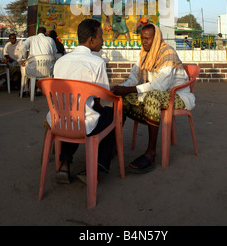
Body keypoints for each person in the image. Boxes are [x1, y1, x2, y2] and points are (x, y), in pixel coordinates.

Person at [111, 23, 195, 173]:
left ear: (156, 39)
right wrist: (122, 88)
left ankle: (151, 153)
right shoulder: (144, 53)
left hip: (177, 95)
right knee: (121, 99)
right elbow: (133, 78)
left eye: (147, 39)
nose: (144, 42)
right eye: (142, 38)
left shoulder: (168, 53)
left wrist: (130, 89)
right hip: (156, 92)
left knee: (151, 98)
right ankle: (112, 145)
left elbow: (161, 85)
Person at [47, 18, 118, 184]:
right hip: (82, 123)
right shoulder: (97, 63)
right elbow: (103, 97)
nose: (103, 41)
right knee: (113, 114)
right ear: (91, 40)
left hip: (58, 120)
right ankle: (96, 166)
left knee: (73, 115)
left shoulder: (60, 61)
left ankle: (64, 163)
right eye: (101, 37)